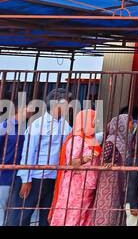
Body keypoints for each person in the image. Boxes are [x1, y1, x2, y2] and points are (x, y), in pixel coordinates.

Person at [9, 87, 71, 227]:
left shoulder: (65, 125)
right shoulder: (38, 125)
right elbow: (28, 152)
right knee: (21, 217)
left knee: (47, 217)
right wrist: (26, 179)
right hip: (34, 178)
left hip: (52, 178)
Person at [49, 107, 101, 226]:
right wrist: (87, 158)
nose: (96, 123)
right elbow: (72, 163)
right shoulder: (77, 139)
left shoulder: (92, 139)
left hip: (89, 185)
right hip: (76, 185)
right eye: (93, 120)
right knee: (73, 214)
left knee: (83, 214)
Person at [90, 110, 136, 226]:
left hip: (119, 180)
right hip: (108, 181)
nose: (133, 125)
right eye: (131, 123)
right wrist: (110, 165)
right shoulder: (111, 140)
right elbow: (101, 160)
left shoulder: (126, 141)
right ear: (123, 124)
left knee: (116, 208)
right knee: (107, 207)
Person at [0, 102, 31, 223]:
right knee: (2, 208)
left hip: (20, 176)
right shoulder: (4, 127)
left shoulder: (27, 127)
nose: (32, 111)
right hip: (4, 175)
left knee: (15, 210)